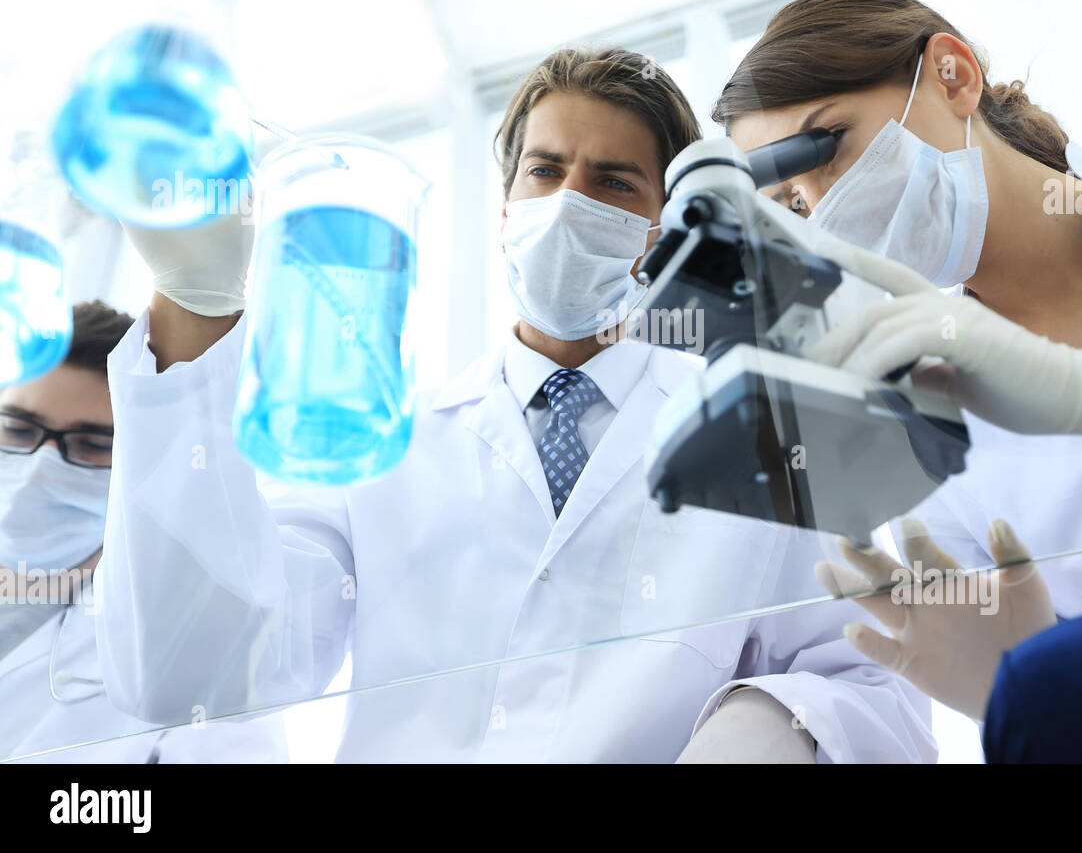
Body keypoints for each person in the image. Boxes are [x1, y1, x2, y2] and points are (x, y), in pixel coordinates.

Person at [93, 47, 936, 763]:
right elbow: (198, 670)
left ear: (667, 233)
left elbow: (877, 685)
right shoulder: (386, 448)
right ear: (503, 210)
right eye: (546, 169)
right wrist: (193, 308)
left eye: (614, 183)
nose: (570, 201)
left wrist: (767, 727)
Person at [712, 0, 1082, 759]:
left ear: (953, 75)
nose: (824, 210)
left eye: (828, 148)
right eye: (792, 200)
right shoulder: (934, 440)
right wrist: (1007, 683)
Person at [0, 300, 287, 762]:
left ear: (141, 462)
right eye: (16, 428)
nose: (41, 465)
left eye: (91, 443)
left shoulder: (190, 651)